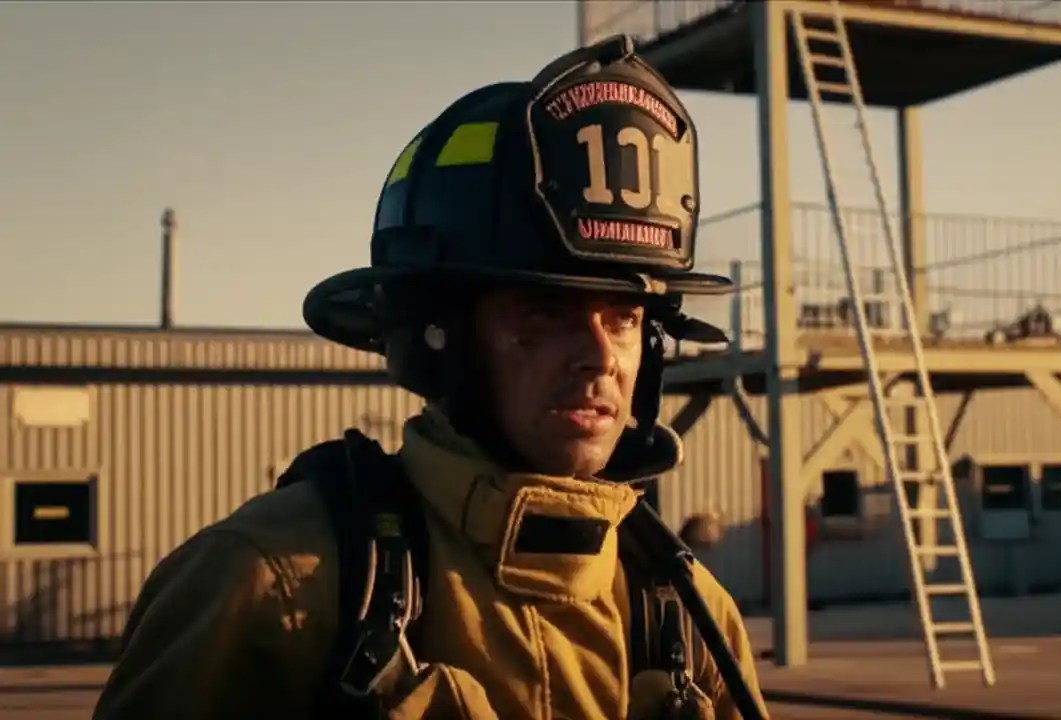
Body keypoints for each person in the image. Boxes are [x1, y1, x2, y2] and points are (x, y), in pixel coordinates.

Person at [92, 34, 769, 720]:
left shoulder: (688, 613)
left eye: (623, 318)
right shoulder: (270, 583)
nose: (598, 356)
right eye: (545, 311)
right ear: (440, 337)